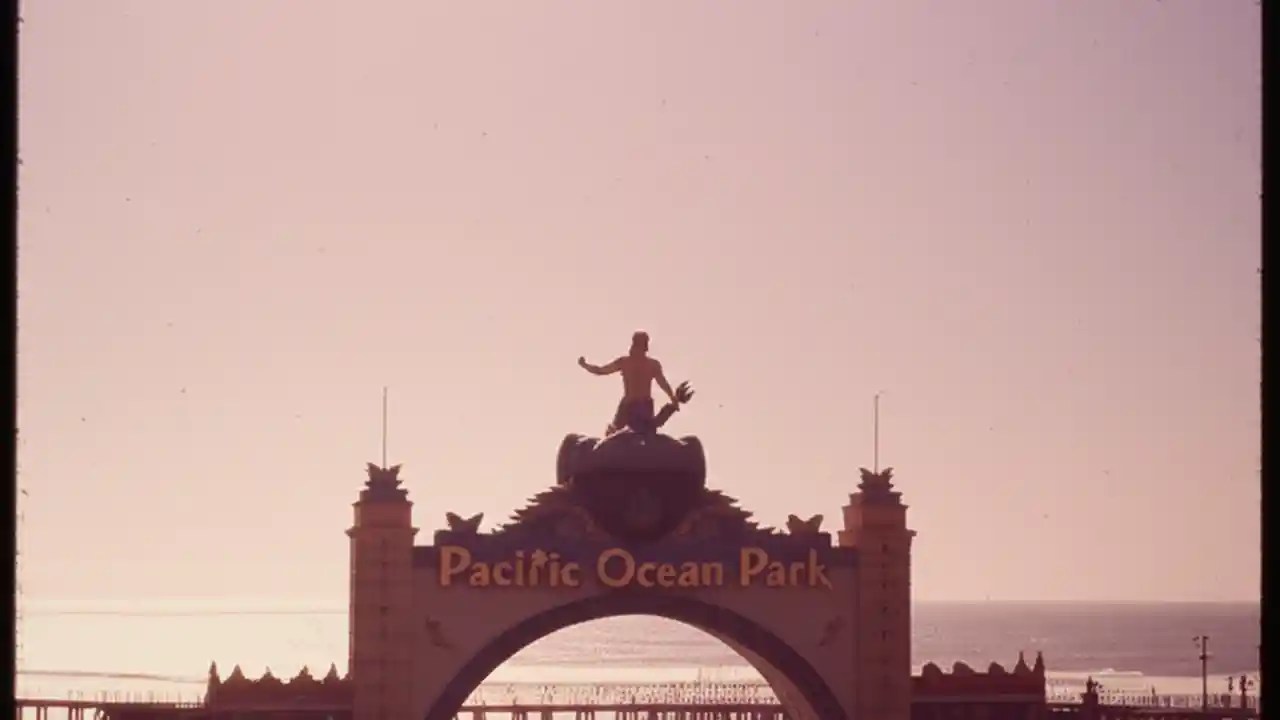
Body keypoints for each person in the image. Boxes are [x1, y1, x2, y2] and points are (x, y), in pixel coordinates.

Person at [578, 331, 679, 435]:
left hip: (643, 408)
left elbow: (663, 383)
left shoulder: (650, 364)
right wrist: (585, 365)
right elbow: (601, 370)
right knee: (614, 436)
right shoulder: (626, 362)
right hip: (629, 406)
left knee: (645, 434)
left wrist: (672, 397)